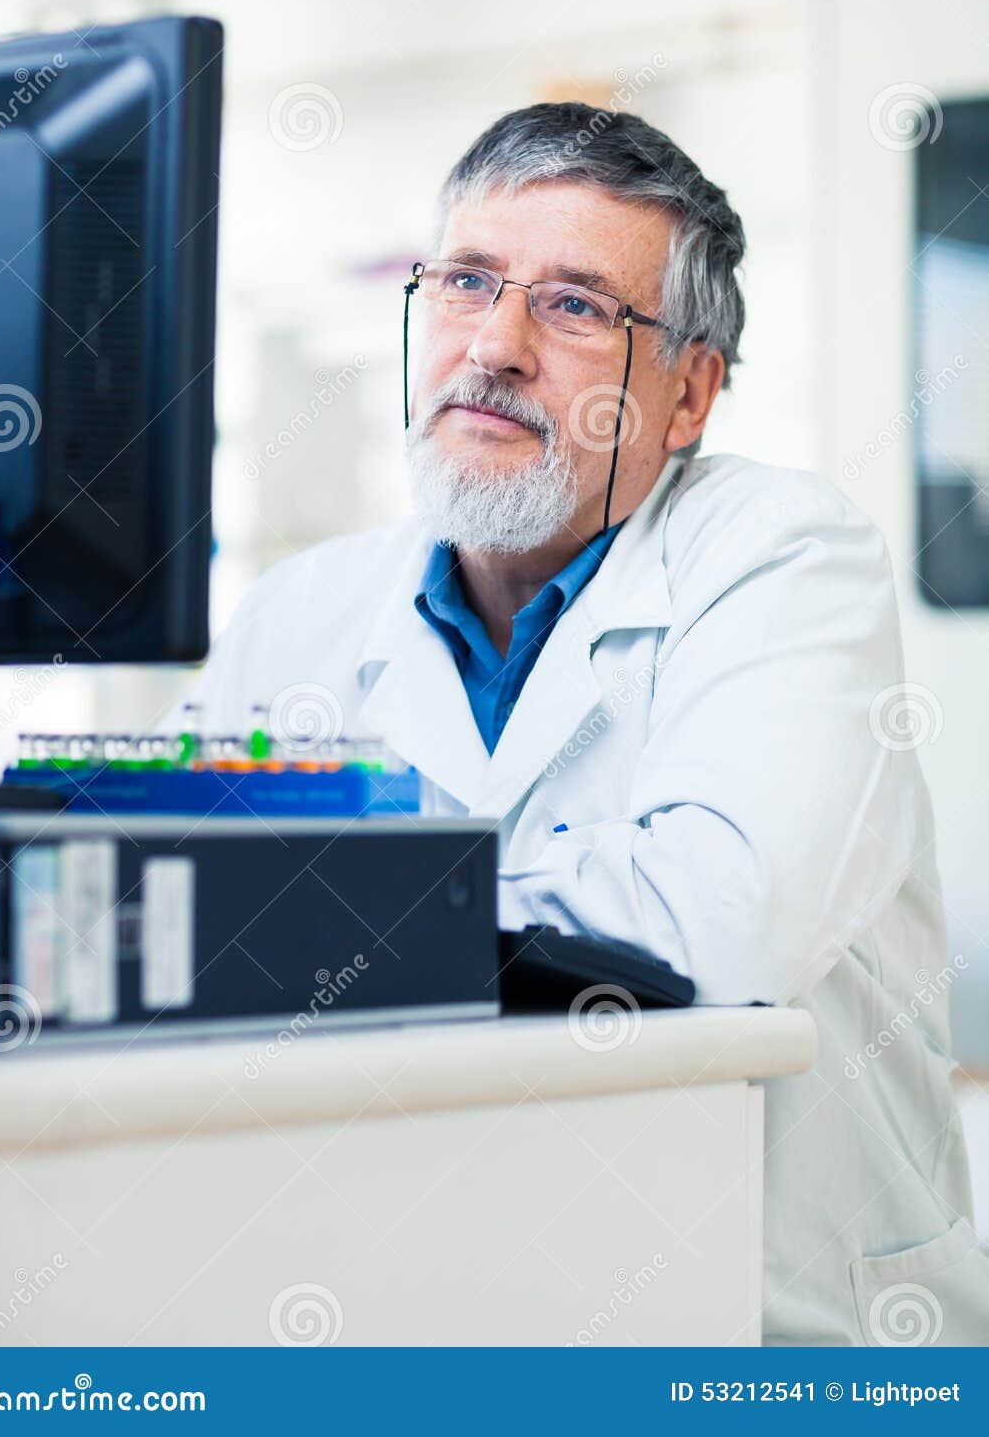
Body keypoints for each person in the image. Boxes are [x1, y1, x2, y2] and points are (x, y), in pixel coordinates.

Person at [180, 102, 989, 1345]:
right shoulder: (301, 611)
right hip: (437, 1311)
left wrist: (307, 900)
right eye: (465, 281)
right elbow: (157, 896)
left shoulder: (783, 554)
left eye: (572, 306)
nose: (492, 346)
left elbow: (715, 924)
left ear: (687, 393)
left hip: (777, 1330)